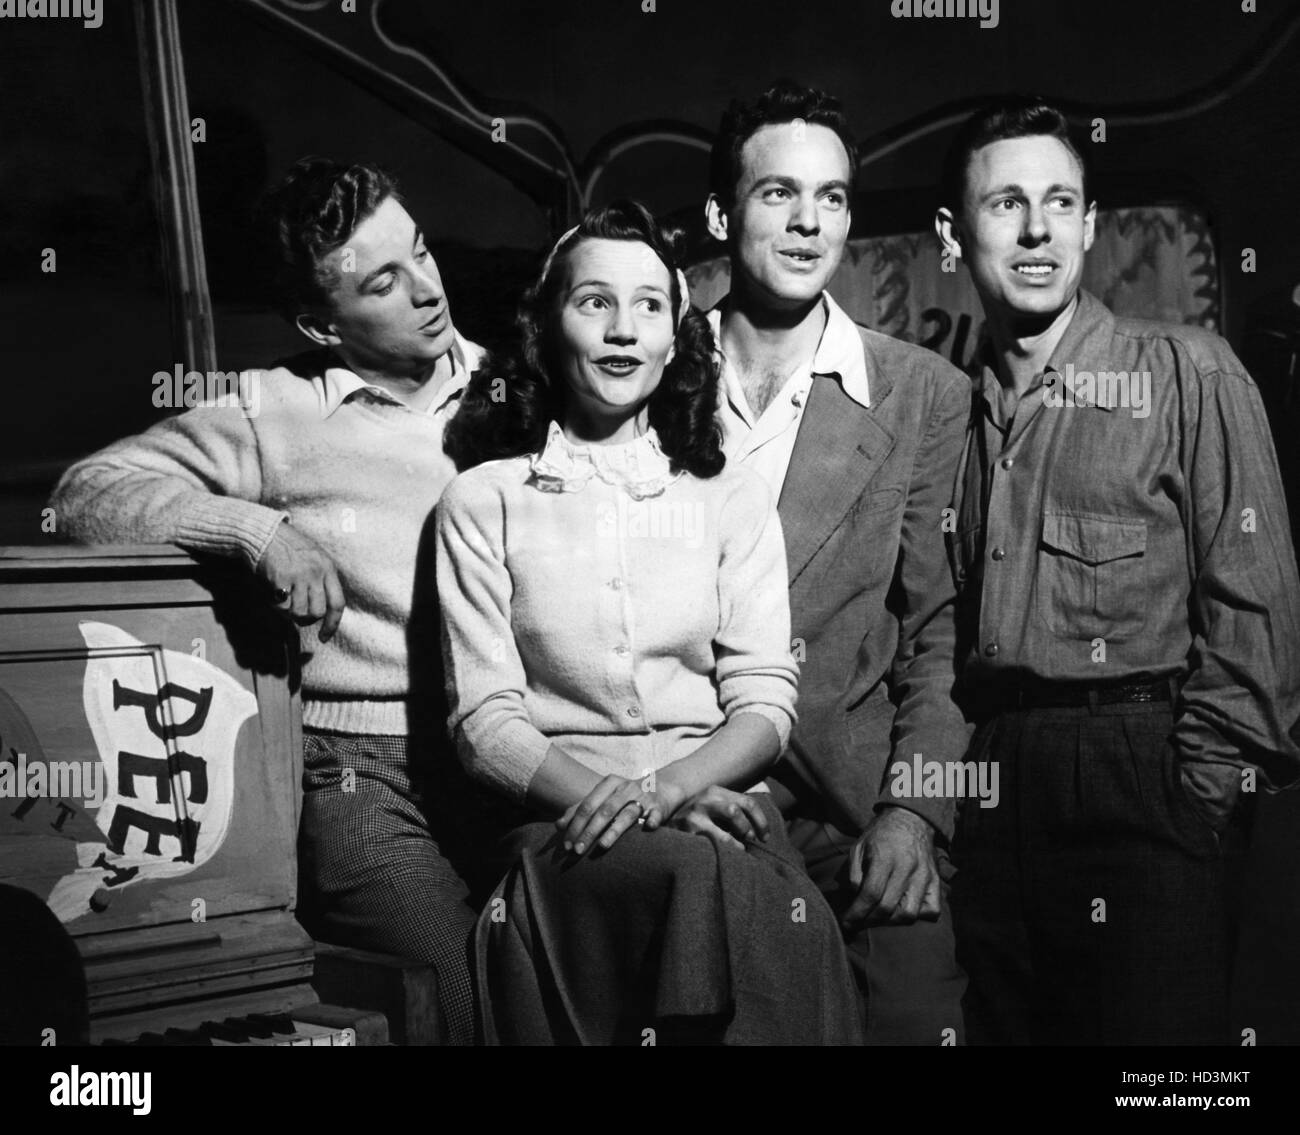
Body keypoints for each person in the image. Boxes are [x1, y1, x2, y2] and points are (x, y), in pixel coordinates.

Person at [48, 159, 486, 1045]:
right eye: (383, 281)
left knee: (580, 961)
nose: (427, 289)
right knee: (464, 993)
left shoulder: (517, 381)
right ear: (320, 322)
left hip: (510, 751)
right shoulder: (272, 411)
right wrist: (255, 531)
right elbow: (86, 494)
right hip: (361, 775)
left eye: (424, 252)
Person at [437, 199, 863, 1045]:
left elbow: (764, 703)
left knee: (766, 902)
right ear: (547, 329)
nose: (623, 329)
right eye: (594, 302)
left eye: (648, 306)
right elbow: (485, 723)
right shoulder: (482, 501)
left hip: (718, 807)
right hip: (568, 831)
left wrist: (666, 791)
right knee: (689, 867)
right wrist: (632, 809)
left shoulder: (728, 498)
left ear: (676, 338)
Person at [934, 95, 1300, 1044]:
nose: (1037, 229)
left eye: (1061, 203)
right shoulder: (943, 417)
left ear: (1091, 225)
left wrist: (1196, 795)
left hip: (1144, 775)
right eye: (1005, 203)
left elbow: (1260, 618)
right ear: (953, 233)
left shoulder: (1192, 374)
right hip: (990, 784)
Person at [702, 81, 971, 1044]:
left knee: (914, 1018)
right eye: (778, 194)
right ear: (720, 214)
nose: (811, 223)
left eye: (833, 197)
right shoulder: (648, 367)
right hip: (693, 795)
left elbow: (942, 639)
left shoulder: (922, 393)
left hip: (856, 812)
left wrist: (916, 814)